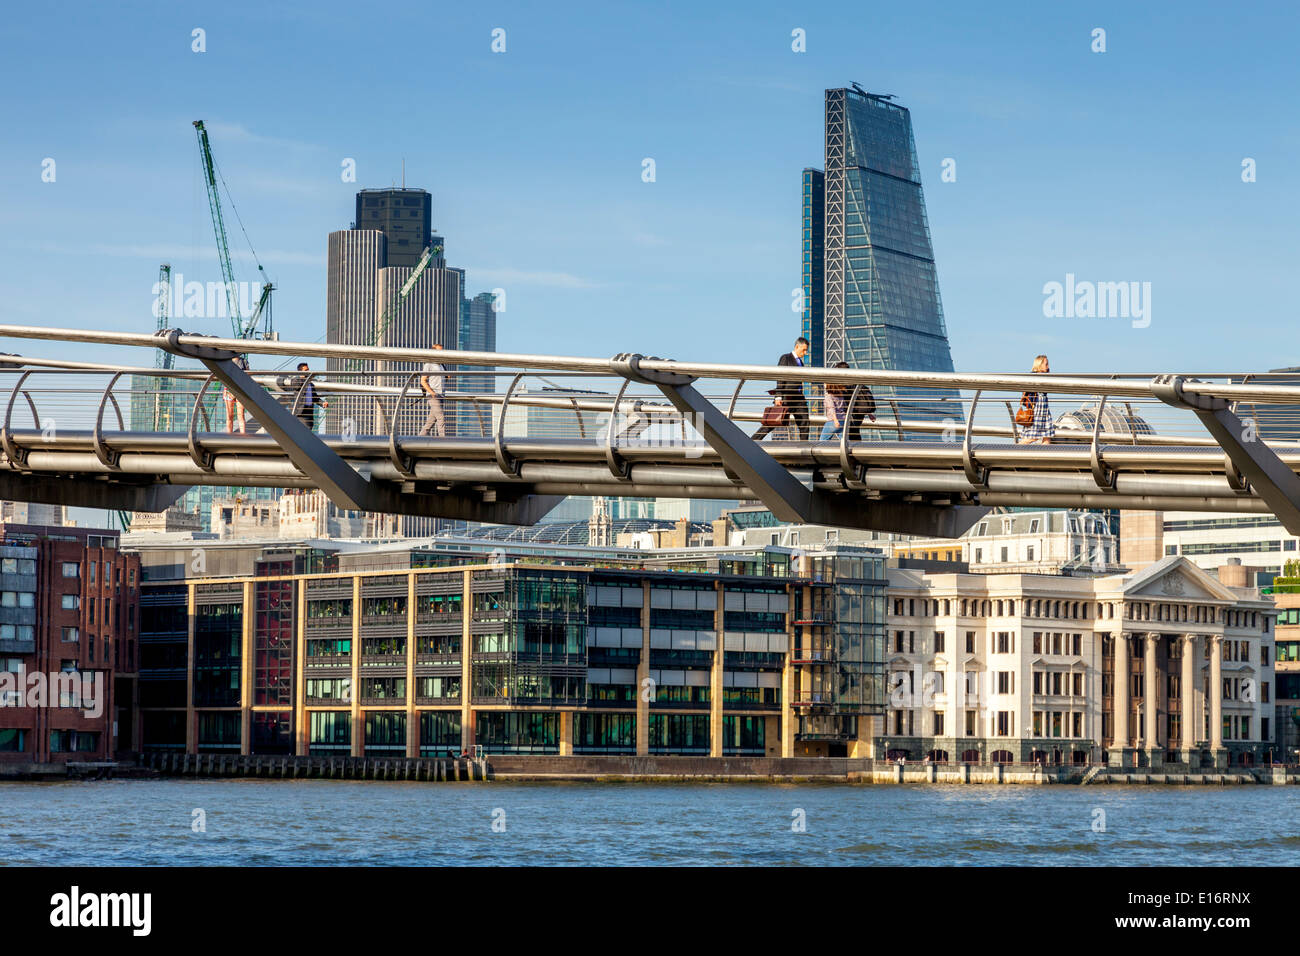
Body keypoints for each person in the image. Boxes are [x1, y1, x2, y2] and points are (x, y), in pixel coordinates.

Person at [752, 336, 811, 441]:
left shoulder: (800, 362)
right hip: (786, 397)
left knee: (805, 423)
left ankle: (804, 448)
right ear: (797, 347)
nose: (805, 353)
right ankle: (752, 441)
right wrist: (778, 396)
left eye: (806, 350)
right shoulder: (786, 358)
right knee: (772, 422)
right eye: (804, 350)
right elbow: (780, 377)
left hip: (798, 398)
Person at [820, 361, 877, 441]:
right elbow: (859, 399)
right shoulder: (855, 381)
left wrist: (835, 419)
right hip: (859, 414)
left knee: (849, 436)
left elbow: (834, 404)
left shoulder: (845, 385)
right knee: (852, 434)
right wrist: (869, 414)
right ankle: (855, 450)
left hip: (850, 415)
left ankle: (853, 451)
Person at [1018, 354, 1055, 444]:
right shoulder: (1033, 377)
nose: (1048, 366)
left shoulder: (1045, 377)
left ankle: (1043, 457)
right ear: (1039, 364)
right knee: (1033, 437)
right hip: (1037, 409)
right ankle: (1012, 451)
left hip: (1044, 409)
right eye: (1046, 364)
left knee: (1047, 436)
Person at [417, 344, 447, 437]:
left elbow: (446, 377)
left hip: (441, 395)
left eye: (442, 351)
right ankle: (444, 441)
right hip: (433, 396)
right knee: (441, 418)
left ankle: (419, 439)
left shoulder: (441, 365)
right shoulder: (429, 364)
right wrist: (432, 392)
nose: (441, 353)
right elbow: (423, 381)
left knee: (430, 422)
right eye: (439, 351)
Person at [291, 362, 328, 432]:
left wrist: (322, 403)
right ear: (300, 372)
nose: (308, 372)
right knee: (303, 433)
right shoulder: (295, 380)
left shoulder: (311, 384)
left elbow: (315, 397)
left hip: (310, 414)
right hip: (301, 413)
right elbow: (296, 386)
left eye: (308, 370)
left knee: (308, 432)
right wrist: (304, 379)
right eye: (306, 370)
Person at [223, 355, 248, 434]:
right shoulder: (226, 361)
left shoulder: (244, 361)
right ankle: (229, 436)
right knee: (229, 416)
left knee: (241, 415)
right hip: (229, 390)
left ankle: (242, 437)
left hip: (240, 390)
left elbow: (248, 376)